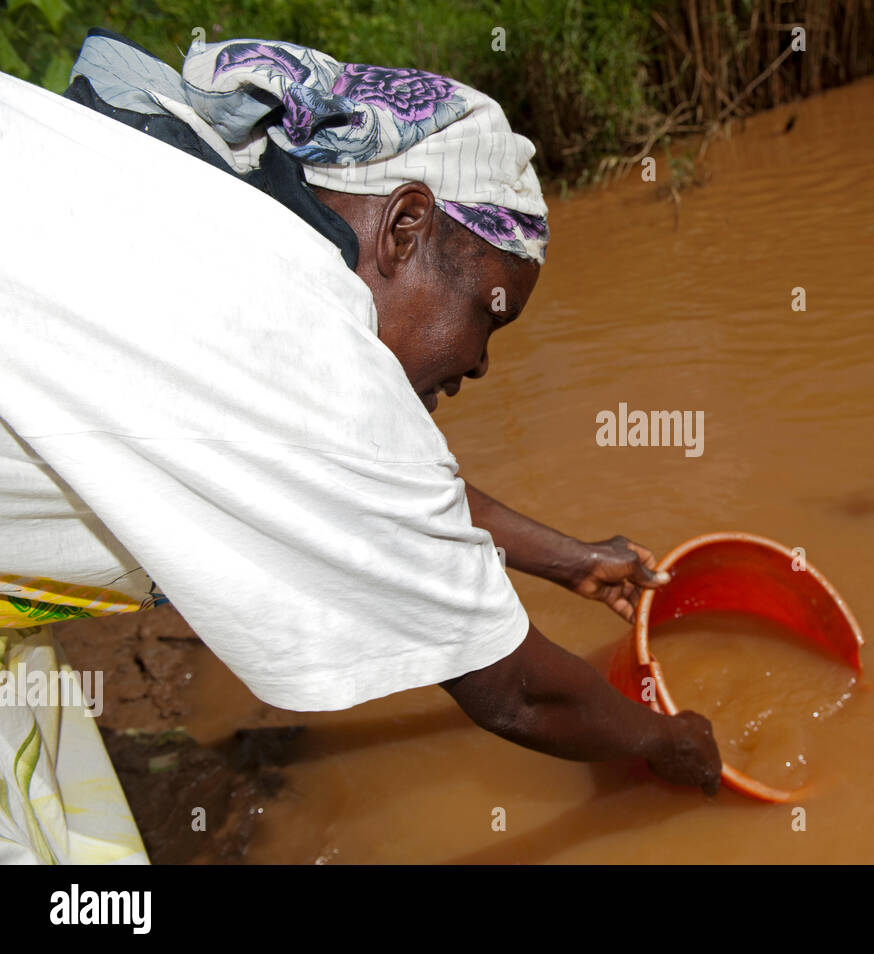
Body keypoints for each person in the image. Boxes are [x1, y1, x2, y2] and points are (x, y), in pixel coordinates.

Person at [0, 30, 720, 865]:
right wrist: (666, 741)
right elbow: (519, 693)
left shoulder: (212, 214)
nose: (483, 363)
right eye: (491, 313)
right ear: (405, 226)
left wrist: (568, 561)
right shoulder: (308, 348)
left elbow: (381, 488)